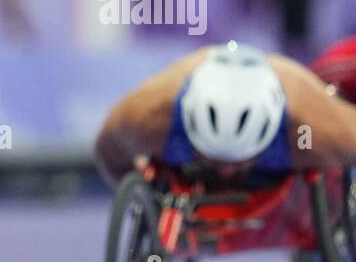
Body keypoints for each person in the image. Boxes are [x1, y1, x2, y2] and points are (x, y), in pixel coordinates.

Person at [94, 41, 356, 188]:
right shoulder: (147, 117)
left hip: (295, 103)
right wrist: (141, 185)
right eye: (214, 158)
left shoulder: (313, 128)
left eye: (239, 161)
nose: (227, 173)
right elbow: (109, 153)